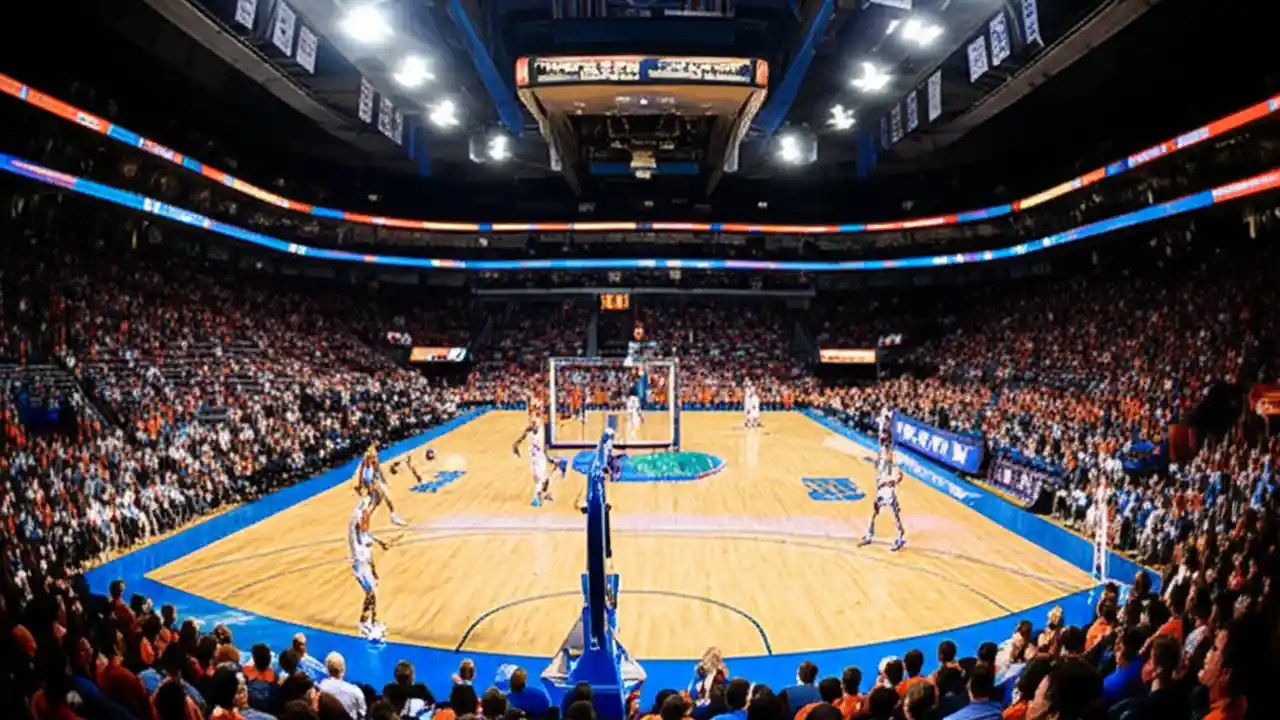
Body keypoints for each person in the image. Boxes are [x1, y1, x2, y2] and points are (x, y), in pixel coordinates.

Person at [349, 494, 390, 639]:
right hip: (359, 564)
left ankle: (369, 621)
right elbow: (362, 521)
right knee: (371, 592)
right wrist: (372, 504)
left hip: (364, 564)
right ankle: (369, 623)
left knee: (372, 593)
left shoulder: (364, 533)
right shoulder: (356, 522)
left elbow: (368, 541)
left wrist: (374, 570)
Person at [512, 414, 563, 507]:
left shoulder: (543, 431)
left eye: (535, 421)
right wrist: (515, 445)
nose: (533, 423)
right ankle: (542, 495)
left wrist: (551, 458)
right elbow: (524, 435)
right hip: (535, 457)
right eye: (532, 421)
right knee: (537, 479)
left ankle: (539, 496)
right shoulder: (530, 430)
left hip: (540, 457)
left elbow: (547, 445)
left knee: (541, 478)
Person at [860, 457, 907, 551]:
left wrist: (893, 482)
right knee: (875, 514)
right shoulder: (882, 464)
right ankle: (870, 535)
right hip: (881, 491)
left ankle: (900, 537)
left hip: (887, 492)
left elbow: (898, 476)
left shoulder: (890, 466)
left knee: (892, 516)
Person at [356, 445, 407, 527]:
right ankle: (392, 517)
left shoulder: (366, 462)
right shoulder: (371, 462)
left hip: (374, 482)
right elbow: (373, 473)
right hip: (374, 483)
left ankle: (365, 517)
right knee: (382, 501)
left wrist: (360, 485)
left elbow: (366, 474)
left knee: (379, 502)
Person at [318, 652, 365, 720]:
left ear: (327, 669)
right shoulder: (355, 691)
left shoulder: (320, 688)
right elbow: (362, 713)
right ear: (343, 669)